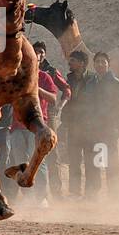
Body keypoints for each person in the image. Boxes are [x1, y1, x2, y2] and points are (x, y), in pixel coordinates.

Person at [7, 60, 59, 206]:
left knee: (38, 161)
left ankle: (41, 197)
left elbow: (54, 98)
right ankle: (28, 196)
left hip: (36, 128)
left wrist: (37, 89)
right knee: (20, 162)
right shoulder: (17, 77)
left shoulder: (44, 77)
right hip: (17, 126)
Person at [89, 51, 119, 198]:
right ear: (94, 64)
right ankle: (95, 193)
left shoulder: (115, 83)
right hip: (94, 129)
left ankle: (116, 194)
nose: (100, 64)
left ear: (108, 64)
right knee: (96, 161)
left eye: (103, 62)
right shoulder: (91, 82)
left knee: (111, 162)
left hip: (109, 129)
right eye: (97, 62)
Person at [33, 40, 69, 202]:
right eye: (36, 51)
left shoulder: (51, 72)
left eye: (41, 52)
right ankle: (35, 193)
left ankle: (57, 192)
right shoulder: (25, 68)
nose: (38, 55)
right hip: (31, 116)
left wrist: (60, 106)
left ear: (45, 54)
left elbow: (66, 89)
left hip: (49, 115)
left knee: (52, 154)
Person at [64, 50, 98, 197]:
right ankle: (75, 192)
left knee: (91, 162)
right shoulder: (68, 79)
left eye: (73, 60)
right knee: (74, 161)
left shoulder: (93, 79)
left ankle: (91, 193)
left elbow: (99, 101)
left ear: (82, 63)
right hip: (73, 127)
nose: (69, 63)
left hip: (90, 127)